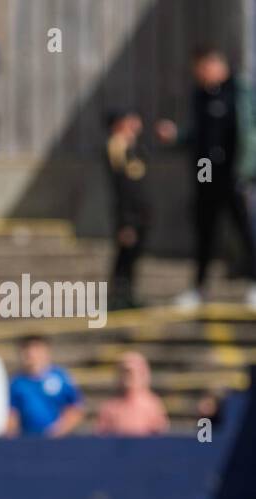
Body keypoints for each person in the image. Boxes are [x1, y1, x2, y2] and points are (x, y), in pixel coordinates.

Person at [157, 47, 256, 308]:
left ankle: (254, 285)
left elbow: (249, 132)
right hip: (206, 176)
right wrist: (176, 137)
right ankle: (199, 289)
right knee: (205, 233)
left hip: (235, 175)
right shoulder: (200, 96)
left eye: (202, 69)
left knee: (247, 231)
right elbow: (198, 135)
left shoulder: (241, 91)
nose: (200, 75)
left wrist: (247, 168)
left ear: (215, 64)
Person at [106, 110, 149, 310]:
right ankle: (118, 296)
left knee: (133, 256)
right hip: (128, 213)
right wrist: (126, 221)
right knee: (124, 254)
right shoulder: (117, 146)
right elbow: (122, 185)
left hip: (139, 212)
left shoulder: (133, 146)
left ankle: (128, 293)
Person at [7, 335, 84, 437]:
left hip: (59, 441)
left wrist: (57, 432)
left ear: (47, 352)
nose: (32, 354)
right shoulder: (17, 383)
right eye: (27, 350)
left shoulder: (60, 377)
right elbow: (12, 415)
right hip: (28, 441)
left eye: (37, 349)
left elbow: (75, 409)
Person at [95, 351, 169, 436]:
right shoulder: (109, 408)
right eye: (124, 372)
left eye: (133, 372)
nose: (128, 377)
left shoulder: (153, 406)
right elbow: (102, 438)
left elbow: (161, 437)